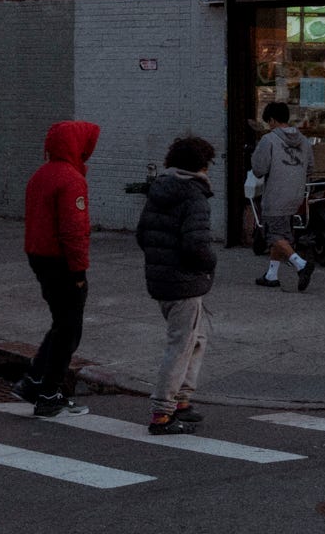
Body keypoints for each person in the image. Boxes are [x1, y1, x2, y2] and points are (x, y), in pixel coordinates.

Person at [135, 135, 217, 436]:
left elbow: (143, 235)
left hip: (162, 280)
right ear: (200, 165)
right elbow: (197, 244)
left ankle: (181, 400)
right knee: (181, 346)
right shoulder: (194, 195)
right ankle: (163, 412)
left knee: (196, 340)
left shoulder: (159, 191)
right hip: (185, 282)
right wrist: (210, 262)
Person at [16, 120, 98, 418]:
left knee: (61, 323)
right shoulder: (71, 179)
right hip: (60, 261)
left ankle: (34, 381)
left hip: (39, 255)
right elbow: (73, 231)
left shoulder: (41, 174)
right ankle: (49, 392)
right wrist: (79, 271)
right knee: (69, 329)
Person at [250, 102, 315, 292]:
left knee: (274, 234)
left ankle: (301, 264)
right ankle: (271, 274)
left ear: (271, 120)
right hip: (296, 193)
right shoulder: (303, 140)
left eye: (268, 121)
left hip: (276, 194)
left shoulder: (268, 140)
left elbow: (259, 169)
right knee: (283, 233)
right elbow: (310, 167)